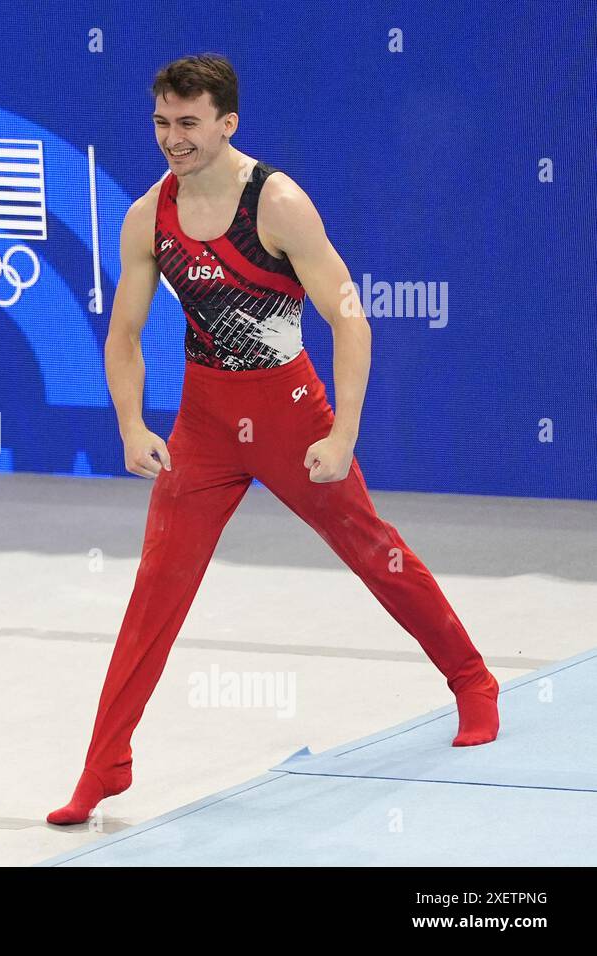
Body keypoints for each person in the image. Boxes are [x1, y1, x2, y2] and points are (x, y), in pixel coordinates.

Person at [47, 53, 499, 827]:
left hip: (290, 416)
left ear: (228, 122)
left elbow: (349, 318)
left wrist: (343, 433)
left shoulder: (279, 202)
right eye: (161, 122)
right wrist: (128, 422)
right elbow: (123, 333)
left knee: (373, 550)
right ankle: (104, 766)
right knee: (153, 592)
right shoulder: (147, 215)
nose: (172, 139)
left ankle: (473, 682)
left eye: (188, 123)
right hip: (205, 426)